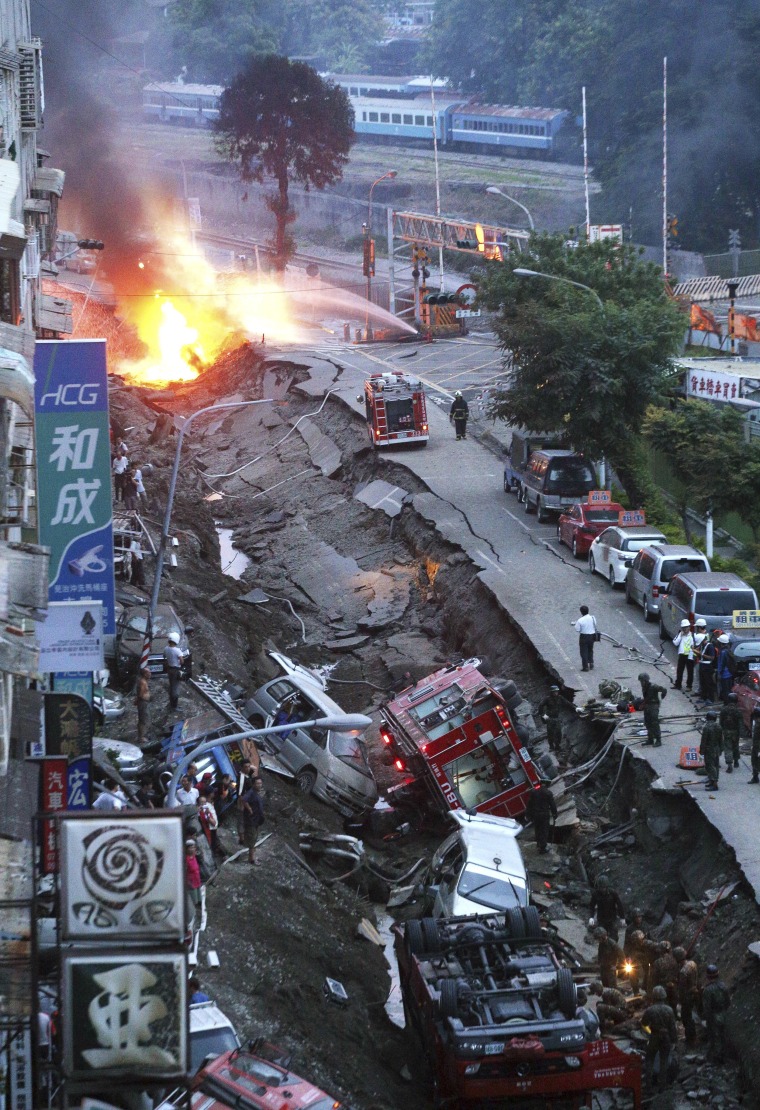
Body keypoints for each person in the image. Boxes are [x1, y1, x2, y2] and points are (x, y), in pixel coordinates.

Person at [640, 985, 678, 1092]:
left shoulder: (650, 1010)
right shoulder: (669, 1010)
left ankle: (648, 1086)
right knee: (664, 1061)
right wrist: (674, 1040)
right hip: (666, 1038)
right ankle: (663, 1085)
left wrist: (649, 1032)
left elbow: (644, 1023)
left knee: (649, 1060)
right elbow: (672, 1027)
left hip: (654, 1036)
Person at [702, 964, 731, 1063]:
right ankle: (725, 1055)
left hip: (714, 1016)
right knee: (723, 1035)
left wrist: (707, 1018)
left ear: (708, 976)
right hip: (723, 1013)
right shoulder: (723, 986)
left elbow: (707, 1008)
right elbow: (728, 1002)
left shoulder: (708, 990)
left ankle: (718, 1059)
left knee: (715, 1037)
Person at [674, 946, 699, 1045]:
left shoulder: (683, 972)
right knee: (691, 1016)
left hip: (688, 996)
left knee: (686, 1018)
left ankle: (691, 1039)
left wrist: (680, 1000)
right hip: (695, 992)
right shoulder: (692, 963)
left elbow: (682, 989)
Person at [589, 875, 625, 943]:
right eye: (600, 887)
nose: (602, 889)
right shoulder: (596, 894)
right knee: (601, 937)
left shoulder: (613, 893)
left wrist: (622, 917)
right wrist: (591, 917)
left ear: (607, 886)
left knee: (614, 938)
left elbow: (620, 905)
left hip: (612, 919)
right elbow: (591, 906)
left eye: (604, 887)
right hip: (601, 919)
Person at [524, 781, 557, 854]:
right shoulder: (548, 793)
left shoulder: (534, 791)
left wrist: (527, 814)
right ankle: (542, 848)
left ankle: (538, 844)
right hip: (544, 815)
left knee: (537, 829)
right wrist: (555, 814)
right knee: (544, 830)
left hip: (535, 814)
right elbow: (552, 805)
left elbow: (529, 804)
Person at [240, 776, 265, 864]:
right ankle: (252, 859)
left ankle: (252, 857)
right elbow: (244, 799)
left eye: (260, 783)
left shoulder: (257, 793)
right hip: (251, 821)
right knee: (252, 839)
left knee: (254, 838)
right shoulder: (250, 793)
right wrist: (249, 809)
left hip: (256, 820)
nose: (259, 785)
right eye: (257, 783)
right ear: (253, 784)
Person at [638, 673, 667, 747]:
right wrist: (643, 704)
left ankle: (658, 740)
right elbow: (646, 697)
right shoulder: (644, 687)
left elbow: (664, 690)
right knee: (647, 722)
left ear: (646, 680)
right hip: (647, 705)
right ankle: (650, 739)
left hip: (654, 706)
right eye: (640, 681)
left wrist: (660, 698)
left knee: (654, 722)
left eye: (642, 681)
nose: (641, 683)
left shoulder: (654, 686)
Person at [651, 940, 679, 1011]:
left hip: (663, 989)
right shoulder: (675, 959)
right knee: (674, 1007)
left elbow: (654, 978)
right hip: (674, 987)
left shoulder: (657, 962)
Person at [164, 630, 188, 711]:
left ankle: (171, 704)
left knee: (171, 686)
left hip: (169, 669)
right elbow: (182, 661)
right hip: (176, 670)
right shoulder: (177, 651)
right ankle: (174, 706)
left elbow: (164, 657)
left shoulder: (166, 648)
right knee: (175, 688)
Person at [700, 709, 723, 791]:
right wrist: (721, 749)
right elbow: (721, 739)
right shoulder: (719, 726)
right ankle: (712, 781)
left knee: (710, 766)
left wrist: (701, 751)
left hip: (709, 749)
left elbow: (704, 740)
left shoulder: (707, 727)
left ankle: (714, 784)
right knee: (716, 765)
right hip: (716, 749)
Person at [694, 619, 716, 703]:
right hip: (702, 665)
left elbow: (712, 657)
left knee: (708, 683)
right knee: (702, 683)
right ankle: (703, 697)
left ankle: (710, 699)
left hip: (707, 666)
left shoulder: (709, 646)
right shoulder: (702, 645)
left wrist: (701, 654)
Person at [719, 692, 742, 772]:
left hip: (726, 732)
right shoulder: (738, 711)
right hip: (735, 732)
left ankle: (729, 764)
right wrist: (741, 733)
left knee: (728, 748)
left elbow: (721, 722)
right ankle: (736, 761)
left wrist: (721, 731)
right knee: (735, 746)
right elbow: (740, 724)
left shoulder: (724, 710)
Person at [574, 605, 598, 672]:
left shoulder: (580, 620)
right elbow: (595, 625)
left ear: (581, 612)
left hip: (584, 636)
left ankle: (585, 667)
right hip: (592, 636)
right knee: (590, 650)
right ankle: (591, 663)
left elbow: (577, 629)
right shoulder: (593, 618)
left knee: (583, 651)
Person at [672, 619, 695, 690]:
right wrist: (680, 636)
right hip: (682, 655)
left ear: (689, 627)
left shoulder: (693, 635)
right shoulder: (680, 634)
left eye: (686, 627)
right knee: (679, 670)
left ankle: (689, 686)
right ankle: (678, 684)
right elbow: (675, 643)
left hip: (689, 655)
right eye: (683, 628)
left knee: (690, 671)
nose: (685, 629)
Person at [185, 838, 203, 926]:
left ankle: (199, 916)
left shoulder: (194, 857)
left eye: (193, 847)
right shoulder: (186, 860)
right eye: (190, 847)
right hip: (191, 882)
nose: (192, 849)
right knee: (193, 901)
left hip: (197, 880)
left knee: (198, 899)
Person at [715, 634, 733, 703]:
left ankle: (727, 703)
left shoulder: (723, 652)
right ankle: (730, 702)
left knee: (725, 690)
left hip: (724, 674)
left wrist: (719, 673)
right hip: (729, 674)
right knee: (729, 689)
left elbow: (721, 664)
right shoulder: (728, 650)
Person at [135, 668, 150, 746]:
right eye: (148, 672)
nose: (150, 674)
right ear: (145, 674)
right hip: (143, 703)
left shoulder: (143, 681)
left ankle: (142, 735)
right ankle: (141, 737)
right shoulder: (143, 682)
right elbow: (141, 694)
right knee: (143, 719)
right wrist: (137, 700)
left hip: (144, 702)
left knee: (143, 719)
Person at [749, 705, 760, 784]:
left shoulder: (758, 723)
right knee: (754, 760)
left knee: (756, 761)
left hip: (758, 745)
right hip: (755, 744)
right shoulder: (755, 722)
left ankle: (755, 776)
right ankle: (755, 776)